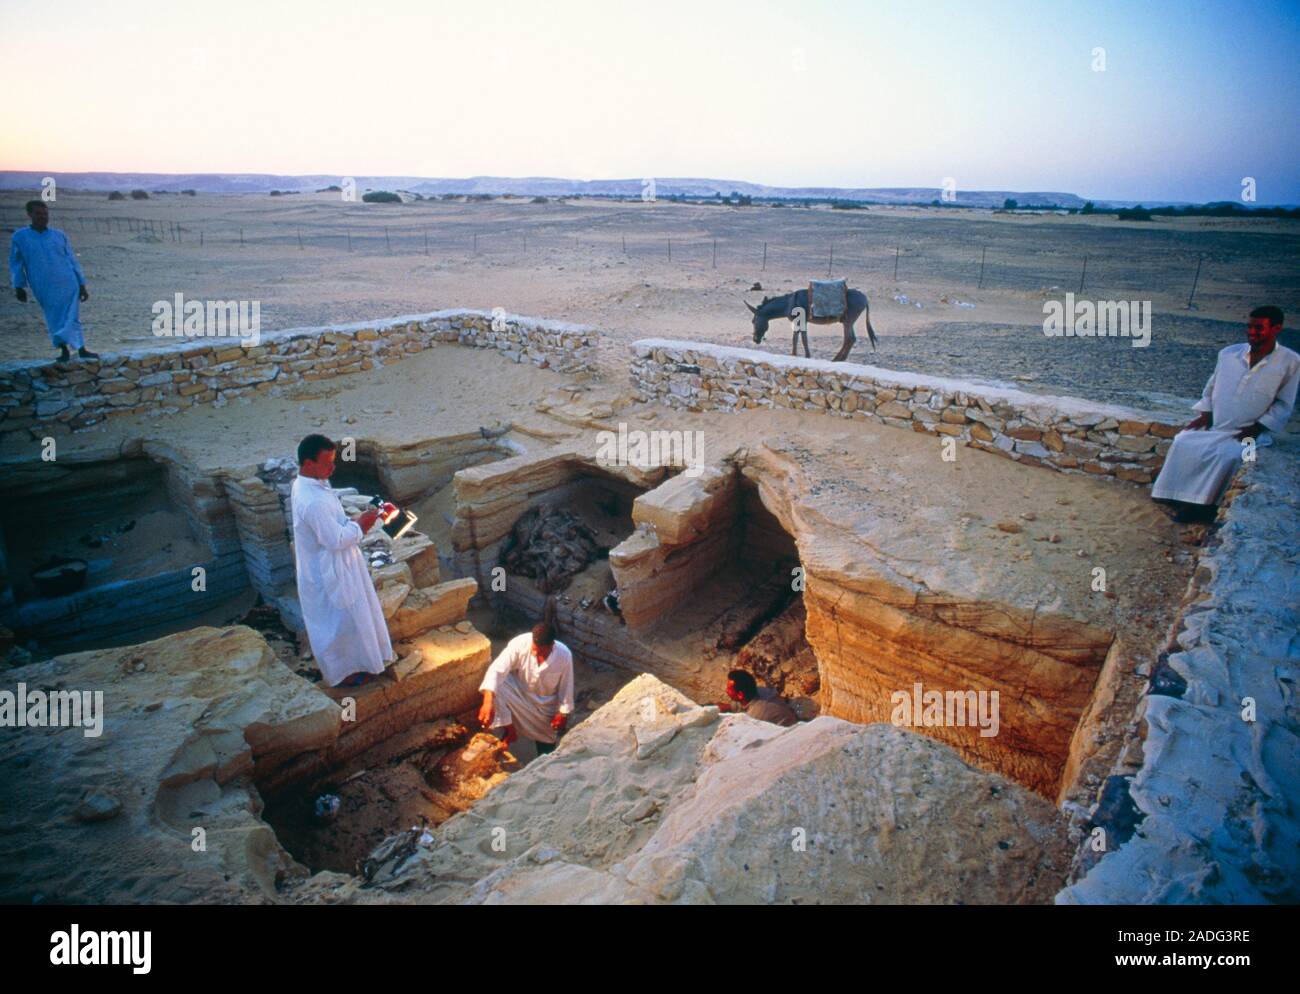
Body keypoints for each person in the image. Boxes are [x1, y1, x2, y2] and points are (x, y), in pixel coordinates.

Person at [1152, 306, 1298, 521]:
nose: (1252, 332)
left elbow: (1284, 403)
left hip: (1251, 433)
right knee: (1183, 441)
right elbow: (1211, 387)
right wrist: (1205, 414)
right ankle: (1172, 495)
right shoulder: (1229, 353)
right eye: (1249, 327)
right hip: (1217, 424)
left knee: (1229, 455)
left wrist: (1257, 428)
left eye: (1259, 328)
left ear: (1276, 328)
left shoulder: (1290, 362)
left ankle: (1202, 508)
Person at [291, 434, 397, 687]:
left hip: (338, 566)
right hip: (330, 571)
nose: (333, 468)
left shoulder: (309, 485)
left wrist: (354, 523)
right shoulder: (312, 500)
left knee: (352, 617)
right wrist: (361, 525)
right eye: (327, 463)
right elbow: (335, 540)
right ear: (308, 464)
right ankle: (347, 672)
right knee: (340, 623)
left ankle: (366, 661)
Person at [9, 201, 97, 362]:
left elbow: (72, 260)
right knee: (53, 316)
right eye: (39, 214)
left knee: (73, 315)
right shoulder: (20, 237)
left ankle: (81, 348)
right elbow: (16, 263)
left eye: (45, 214)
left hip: (68, 282)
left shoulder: (59, 235)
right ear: (30, 215)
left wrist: (81, 284)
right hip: (43, 284)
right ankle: (63, 349)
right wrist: (19, 286)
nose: (43, 217)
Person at [477, 620, 574, 755]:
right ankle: (511, 732)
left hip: (545, 704)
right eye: (535, 651)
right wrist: (487, 703)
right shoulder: (520, 644)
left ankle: (545, 761)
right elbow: (496, 670)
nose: (537, 655)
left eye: (542, 652)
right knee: (497, 687)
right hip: (519, 692)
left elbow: (566, 686)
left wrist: (562, 713)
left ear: (552, 646)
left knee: (547, 739)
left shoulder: (564, 655)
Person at [719, 669, 798, 726]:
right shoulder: (756, 691)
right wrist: (712, 709)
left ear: (740, 695)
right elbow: (732, 707)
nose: (726, 691)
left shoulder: (755, 716)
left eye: (729, 689)